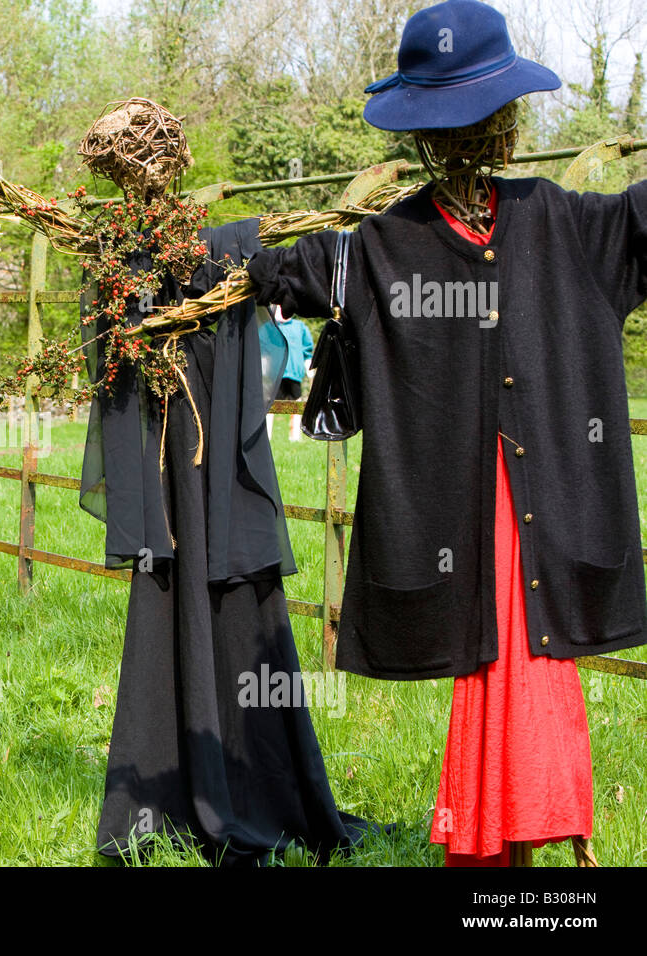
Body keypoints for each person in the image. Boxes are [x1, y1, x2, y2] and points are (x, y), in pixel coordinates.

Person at [241, 0, 645, 865]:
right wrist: (170, 256)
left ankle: (515, 836)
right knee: (510, 655)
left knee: (530, 655)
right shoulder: (383, 249)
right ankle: (512, 837)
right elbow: (268, 268)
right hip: (462, 531)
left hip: (551, 519)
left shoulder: (565, 225)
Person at [69, 101, 370, 865]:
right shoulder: (116, 258)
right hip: (171, 469)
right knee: (171, 589)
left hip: (210, 467)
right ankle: (186, 786)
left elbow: (293, 265)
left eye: (143, 160)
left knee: (232, 602)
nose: (139, 174)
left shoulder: (215, 250)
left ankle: (230, 784)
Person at [263, 306, 313, 441]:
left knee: (296, 405)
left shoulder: (299, 327)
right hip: (275, 374)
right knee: (271, 406)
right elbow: (262, 347)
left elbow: (307, 349)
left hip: (294, 374)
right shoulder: (269, 327)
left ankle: (295, 436)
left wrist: (309, 366)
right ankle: (266, 435)